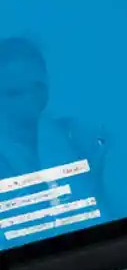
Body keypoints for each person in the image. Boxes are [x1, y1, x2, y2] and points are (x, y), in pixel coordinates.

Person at [0, 37, 109, 215]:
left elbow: (111, 207)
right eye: (15, 92)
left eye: (38, 87)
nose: (31, 99)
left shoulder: (79, 137)